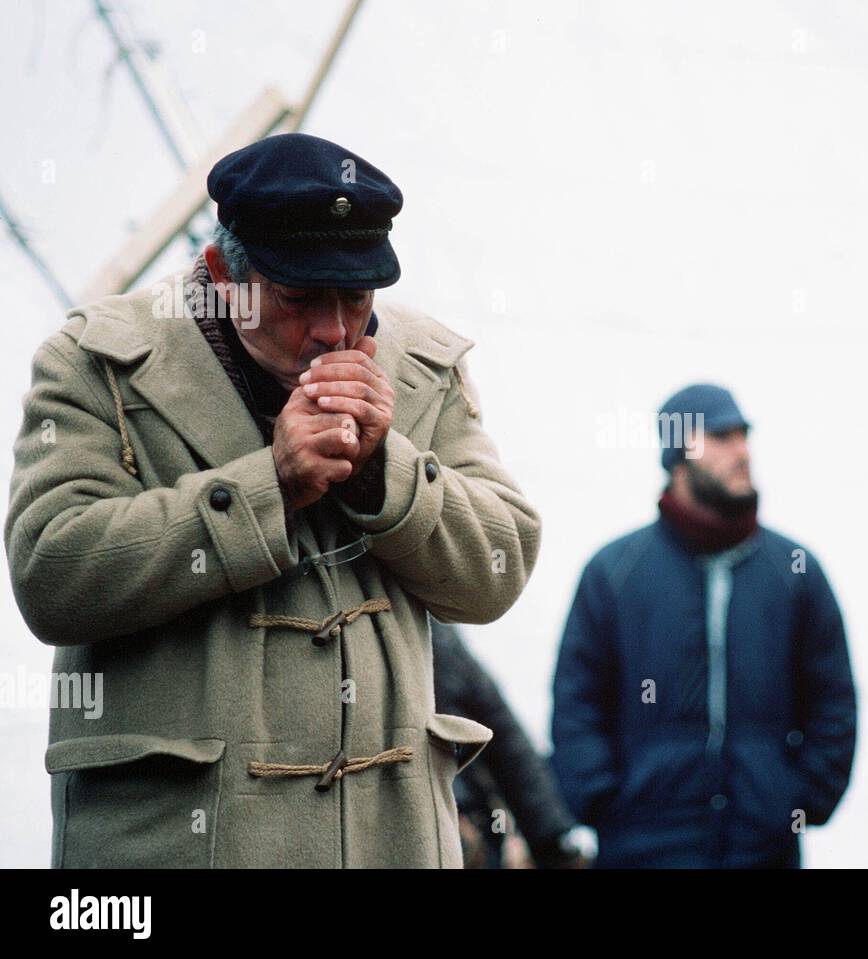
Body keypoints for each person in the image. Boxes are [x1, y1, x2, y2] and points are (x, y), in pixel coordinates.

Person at [6, 132, 541, 868]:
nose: (334, 331)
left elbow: (499, 564)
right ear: (226, 273)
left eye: (356, 297)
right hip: (183, 846)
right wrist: (269, 487)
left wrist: (383, 472)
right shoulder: (97, 363)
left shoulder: (423, 366)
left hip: (391, 844)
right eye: (297, 297)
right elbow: (52, 572)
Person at [550, 383, 857, 867]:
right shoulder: (614, 573)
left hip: (763, 847)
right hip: (641, 848)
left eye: (743, 435)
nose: (742, 452)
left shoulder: (795, 570)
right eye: (721, 437)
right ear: (678, 455)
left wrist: (797, 799)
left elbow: (833, 700)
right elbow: (576, 702)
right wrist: (605, 799)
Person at [428, 615, 586, 868]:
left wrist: (551, 838)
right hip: (442, 827)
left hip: (470, 831)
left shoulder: (435, 633)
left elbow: (502, 733)